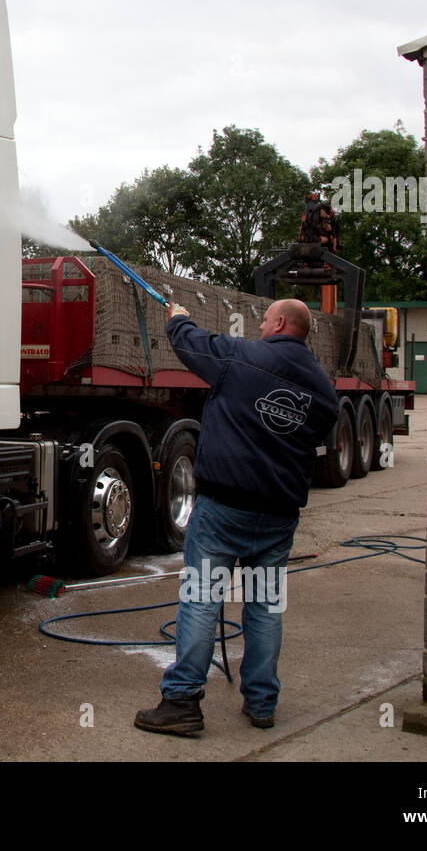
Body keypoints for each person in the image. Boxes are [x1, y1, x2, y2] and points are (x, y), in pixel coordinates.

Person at [135, 298, 338, 736]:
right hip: (279, 518)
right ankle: (262, 704)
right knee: (265, 608)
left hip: (223, 513)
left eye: (265, 320)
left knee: (201, 601)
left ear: (280, 322)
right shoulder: (323, 390)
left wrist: (178, 317)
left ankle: (182, 702)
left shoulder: (241, 357)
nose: (261, 326)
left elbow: (192, 344)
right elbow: (317, 433)